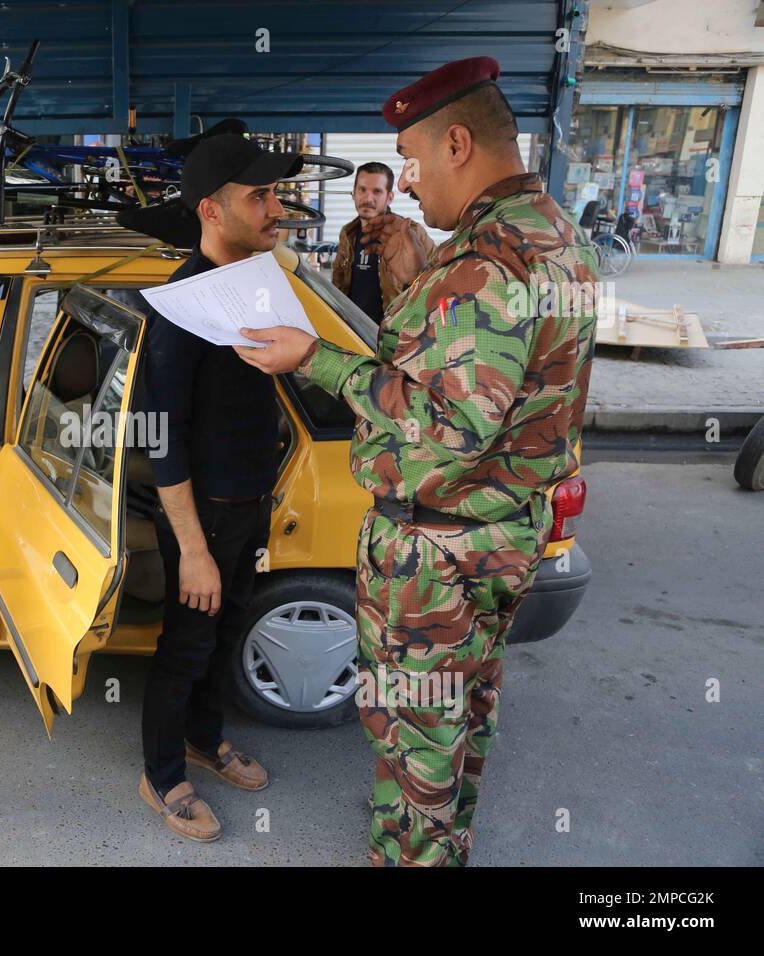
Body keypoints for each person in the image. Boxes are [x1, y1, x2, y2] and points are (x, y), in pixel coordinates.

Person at [232, 57, 598, 865]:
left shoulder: (483, 261)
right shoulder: (556, 236)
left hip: (438, 548)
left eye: (412, 160)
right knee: (465, 713)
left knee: (416, 733)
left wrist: (315, 359)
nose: (404, 182)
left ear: (457, 144)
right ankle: (441, 843)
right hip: (506, 529)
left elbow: (451, 422)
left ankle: (415, 855)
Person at [138, 132, 302, 842]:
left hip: (249, 506)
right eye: (259, 196)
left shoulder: (254, 284)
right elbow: (157, 434)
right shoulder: (180, 306)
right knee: (185, 647)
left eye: (275, 193)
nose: (277, 208)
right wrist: (193, 550)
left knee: (226, 631)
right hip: (199, 518)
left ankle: (204, 738)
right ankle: (162, 772)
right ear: (211, 209)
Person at [331, 162, 435, 323]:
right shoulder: (347, 233)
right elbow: (337, 286)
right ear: (353, 193)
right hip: (353, 331)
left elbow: (438, 281)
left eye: (377, 191)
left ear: (390, 197)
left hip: (392, 332)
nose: (368, 198)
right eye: (362, 189)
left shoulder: (410, 233)